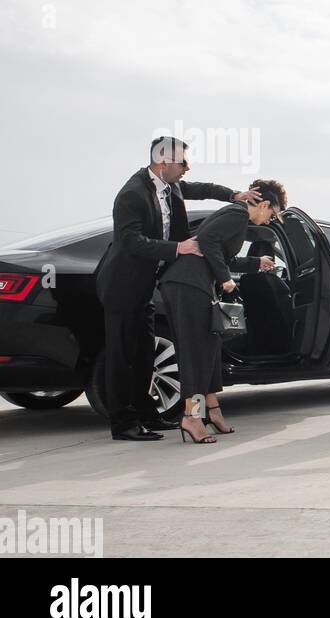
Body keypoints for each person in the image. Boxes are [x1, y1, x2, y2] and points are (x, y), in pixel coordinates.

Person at [94, 136, 261, 442]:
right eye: (183, 162)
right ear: (163, 161)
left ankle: (147, 413)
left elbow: (204, 189)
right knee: (122, 355)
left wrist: (234, 194)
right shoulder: (132, 194)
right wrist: (178, 248)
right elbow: (130, 241)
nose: (187, 167)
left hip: (145, 287)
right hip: (122, 285)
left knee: (145, 355)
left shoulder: (170, 187)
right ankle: (122, 423)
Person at [158, 180, 284, 443]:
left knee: (210, 348)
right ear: (263, 204)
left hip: (189, 284)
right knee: (196, 352)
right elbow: (206, 241)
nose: (268, 220)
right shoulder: (238, 214)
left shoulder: (235, 218)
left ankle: (212, 409)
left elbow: (219, 253)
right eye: (271, 214)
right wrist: (225, 279)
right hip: (188, 284)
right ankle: (192, 418)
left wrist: (256, 263)